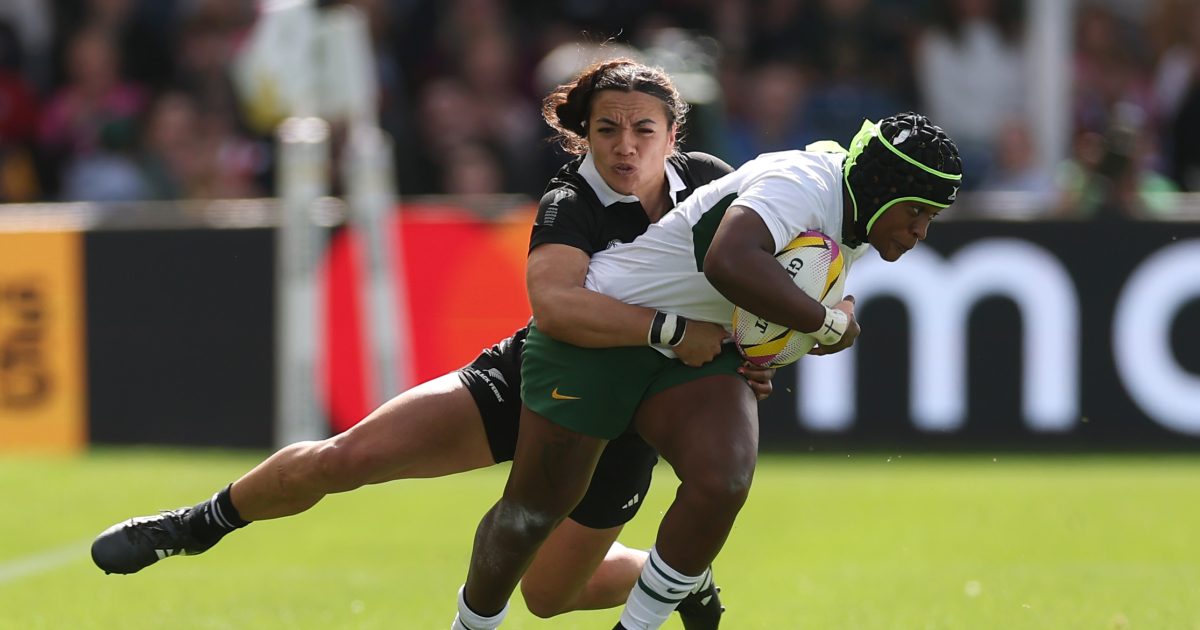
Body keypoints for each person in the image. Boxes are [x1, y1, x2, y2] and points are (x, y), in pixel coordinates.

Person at [90, 58, 766, 626]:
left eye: (643, 130)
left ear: (673, 134)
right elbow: (557, 307)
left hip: (627, 418)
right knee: (343, 458)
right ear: (582, 137)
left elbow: (759, 277)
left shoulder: (711, 184)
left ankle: (674, 575)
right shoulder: (572, 198)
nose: (625, 146)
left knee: (547, 597)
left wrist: (758, 348)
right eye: (606, 130)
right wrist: (675, 332)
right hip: (540, 375)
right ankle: (192, 526)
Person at [453, 111, 962, 630]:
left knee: (723, 480)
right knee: (522, 534)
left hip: (677, 353)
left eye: (932, 217)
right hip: (594, 336)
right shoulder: (804, 183)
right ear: (881, 187)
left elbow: (761, 306)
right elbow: (730, 261)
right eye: (917, 211)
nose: (921, 230)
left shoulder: (852, 213)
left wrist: (773, 349)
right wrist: (827, 325)